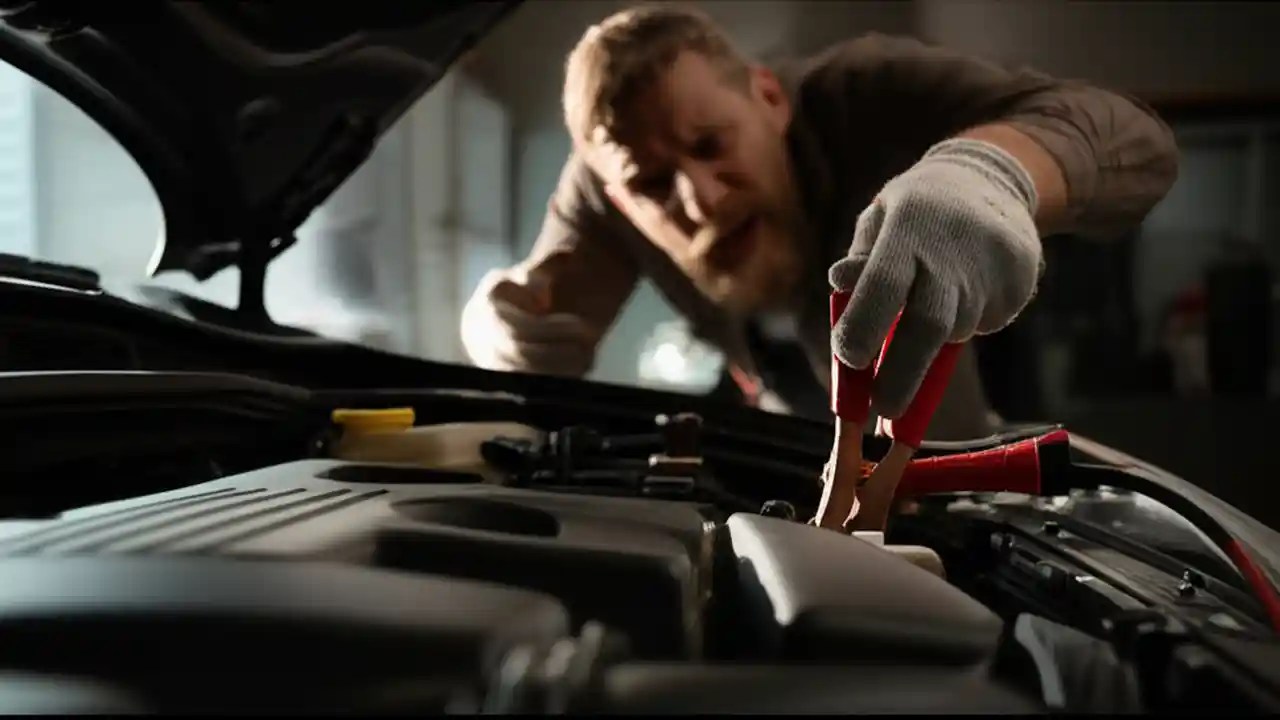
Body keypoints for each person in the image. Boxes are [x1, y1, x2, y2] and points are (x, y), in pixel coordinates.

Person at [460, 3, 1179, 442]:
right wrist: (494, 331)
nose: (701, 199)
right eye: (653, 186)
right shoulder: (602, 189)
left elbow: (1137, 144)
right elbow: (539, 329)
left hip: (968, 399)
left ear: (770, 98)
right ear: (618, 199)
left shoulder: (870, 87)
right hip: (781, 420)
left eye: (712, 145)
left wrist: (992, 174)